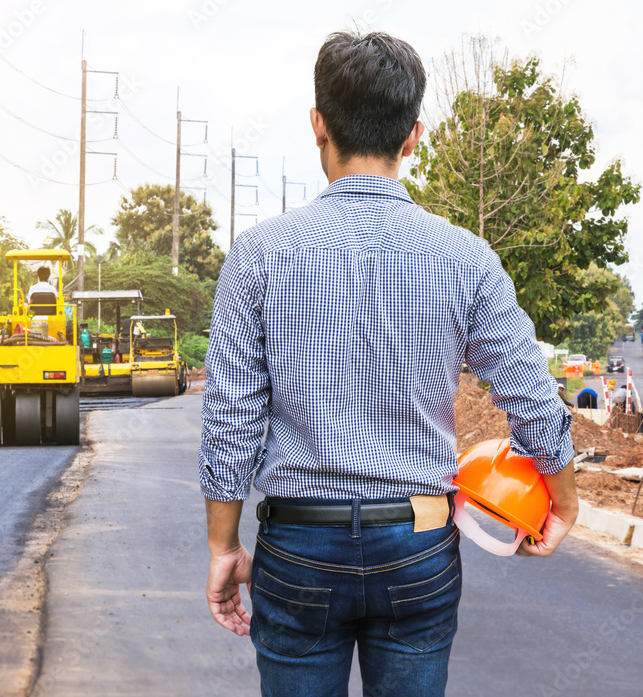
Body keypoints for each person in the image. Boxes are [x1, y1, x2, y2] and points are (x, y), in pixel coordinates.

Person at [199, 31, 578, 697]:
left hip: (298, 545)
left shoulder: (258, 256)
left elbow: (229, 421)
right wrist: (565, 500)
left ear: (319, 124)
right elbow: (535, 401)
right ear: (413, 136)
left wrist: (223, 547)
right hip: (419, 547)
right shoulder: (467, 259)